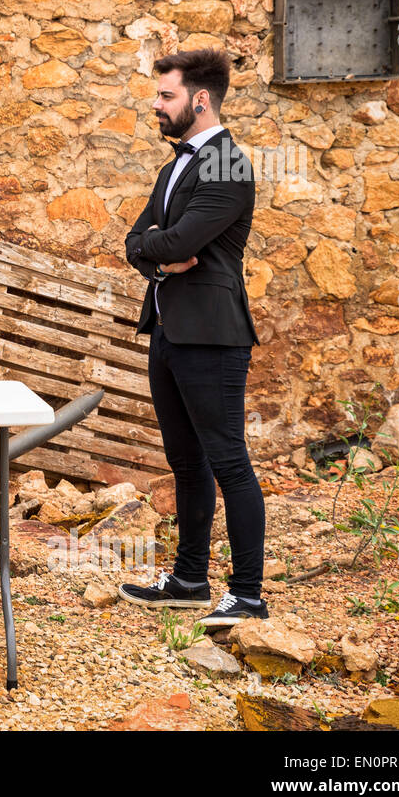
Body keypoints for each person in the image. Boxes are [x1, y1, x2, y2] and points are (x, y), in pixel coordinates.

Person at [119, 48, 268, 628]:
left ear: (199, 100)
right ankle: (188, 580)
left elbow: (176, 241)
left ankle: (249, 595)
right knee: (186, 462)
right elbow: (138, 240)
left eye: (166, 96)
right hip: (166, 328)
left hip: (212, 336)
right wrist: (160, 257)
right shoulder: (173, 164)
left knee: (230, 462)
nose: (156, 106)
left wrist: (165, 247)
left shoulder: (229, 165)